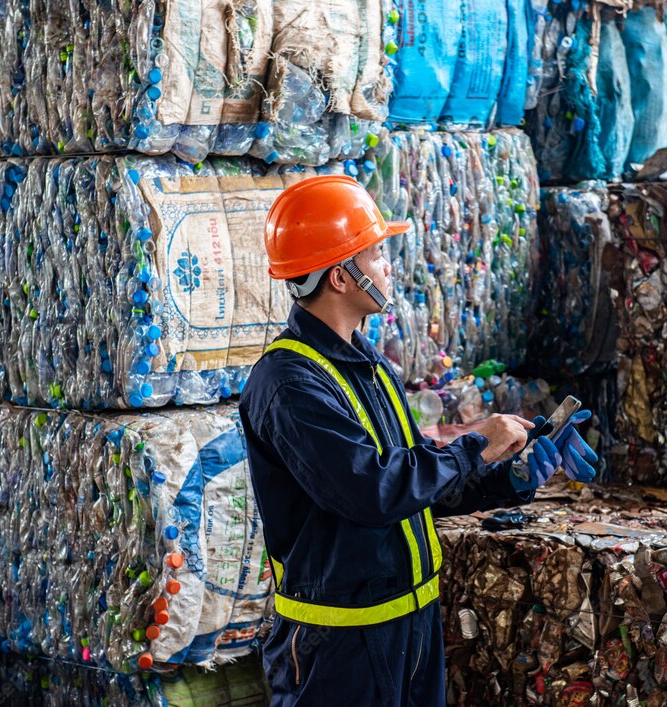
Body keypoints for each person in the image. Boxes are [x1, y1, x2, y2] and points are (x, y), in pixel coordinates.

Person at [238, 175, 599, 706]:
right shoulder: (289, 384)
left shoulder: (369, 364)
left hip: (410, 627)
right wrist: (475, 444)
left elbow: (416, 480)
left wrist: (509, 475)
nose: (388, 267)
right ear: (340, 276)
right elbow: (372, 492)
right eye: (377, 254)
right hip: (340, 646)